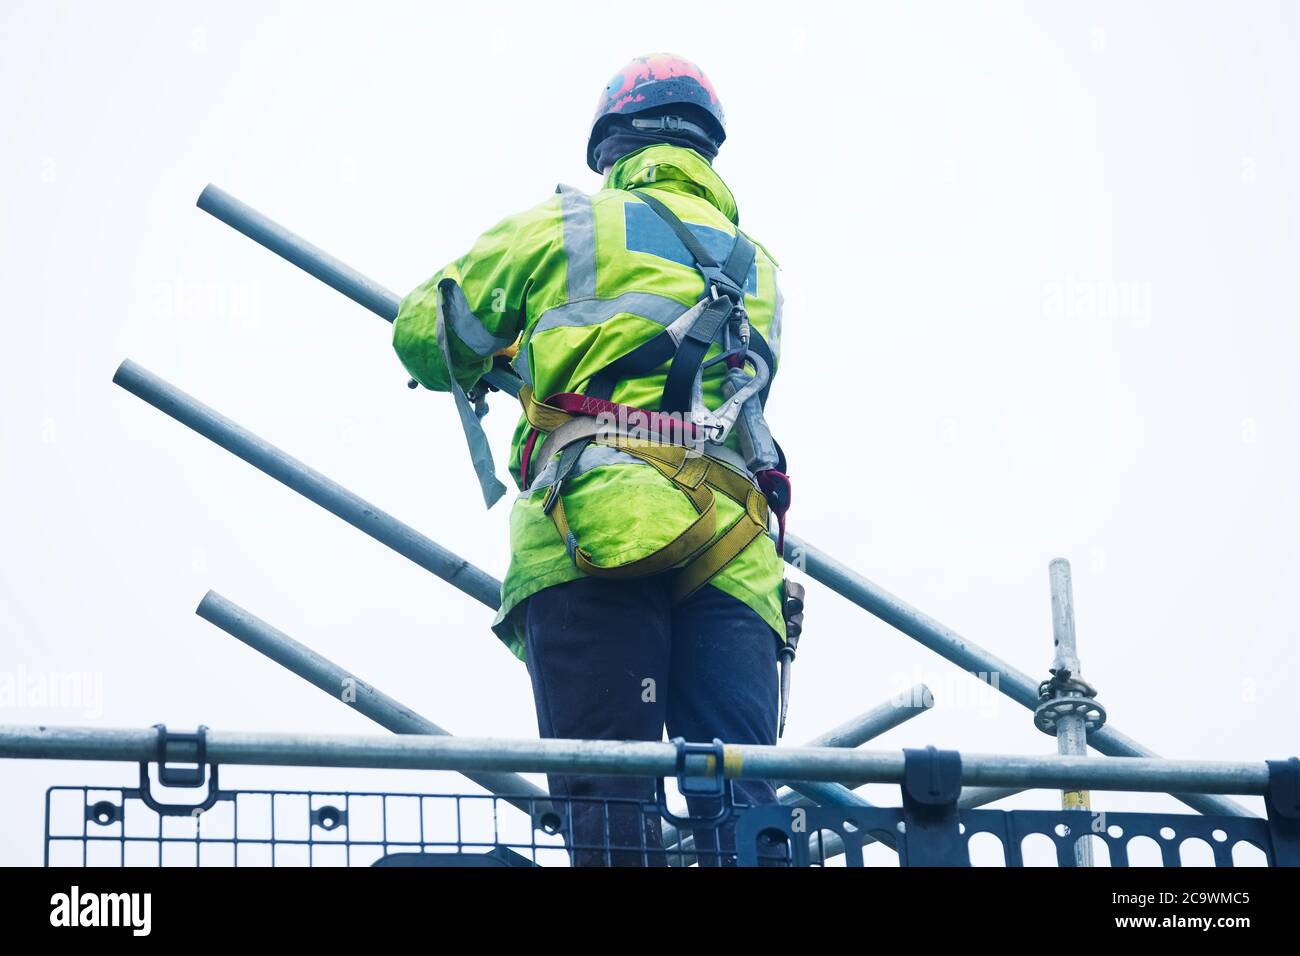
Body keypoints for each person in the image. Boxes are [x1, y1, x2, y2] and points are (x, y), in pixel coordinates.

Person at [392, 53, 789, 865]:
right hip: (735, 549)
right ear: (707, 150)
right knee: (745, 807)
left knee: (608, 792)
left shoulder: (568, 226)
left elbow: (428, 334)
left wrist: (517, 345)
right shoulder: (760, 268)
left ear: (610, 148)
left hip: (595, 528)